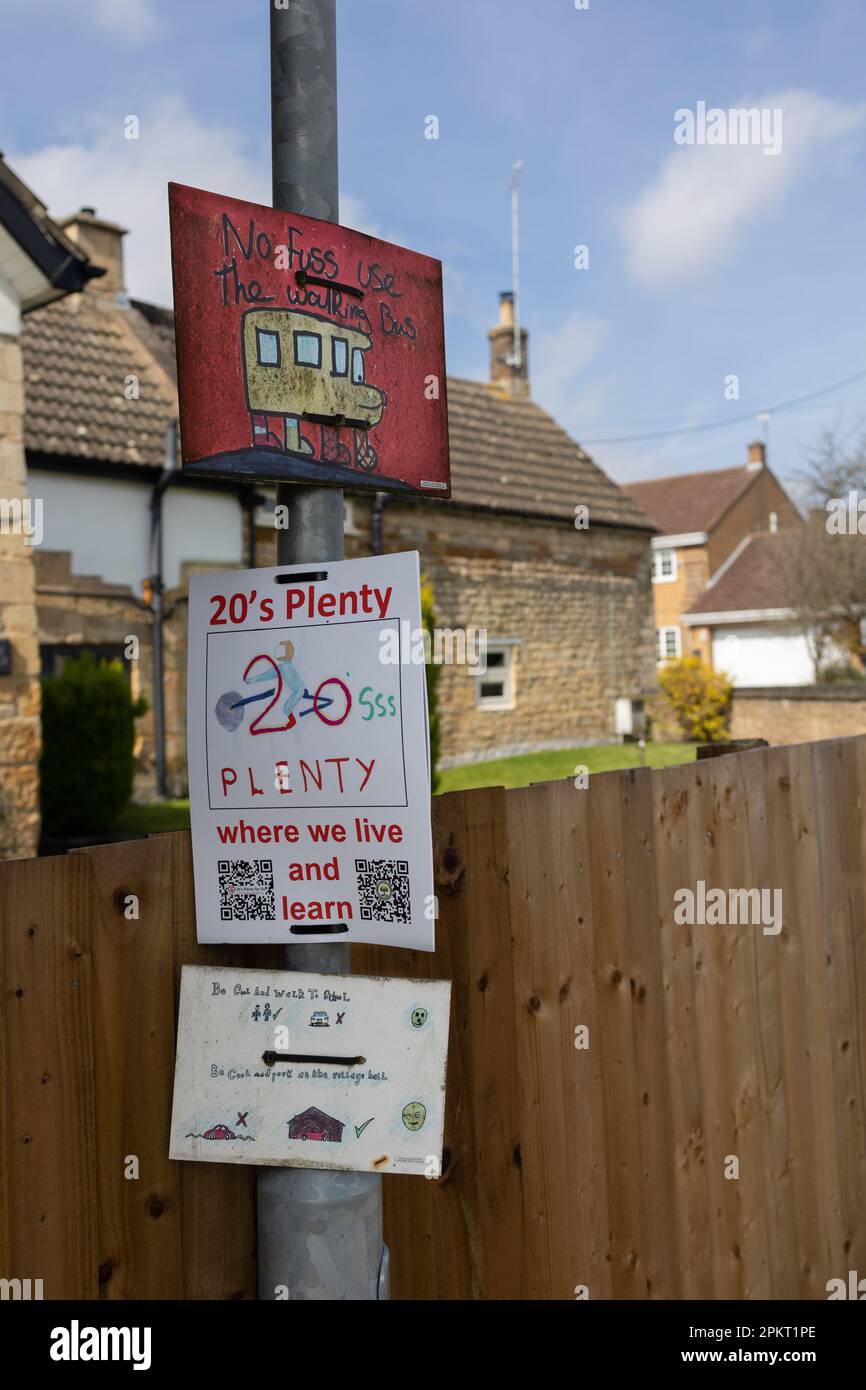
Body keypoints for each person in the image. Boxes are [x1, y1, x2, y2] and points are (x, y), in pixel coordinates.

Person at [246, 639, 306, 718]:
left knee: (286, 709)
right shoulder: (287, 666)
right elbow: (267, 675)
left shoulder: (283, 667)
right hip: (298, 689)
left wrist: (251, 681)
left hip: (298, 690)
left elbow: (266, 676)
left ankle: (293, 721)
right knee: (284, 705)